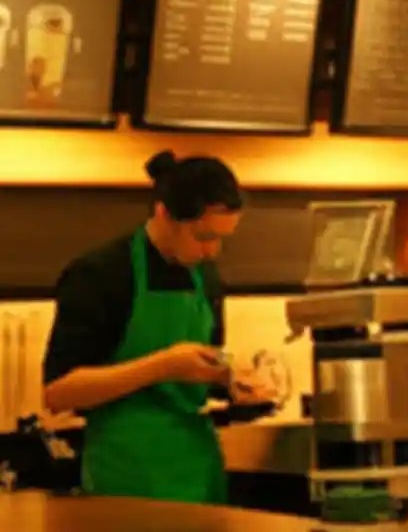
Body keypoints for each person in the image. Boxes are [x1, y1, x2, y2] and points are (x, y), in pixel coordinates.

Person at [42, 149, 274, 504]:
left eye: (221, 238)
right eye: (203, 236)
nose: (212, 251)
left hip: (197, 468)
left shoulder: (207, 279)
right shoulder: (101, 274)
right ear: (163, 213)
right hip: (125, 478)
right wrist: (163, 366)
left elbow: (202, 371)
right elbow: (58, 393)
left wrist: (232, 382)